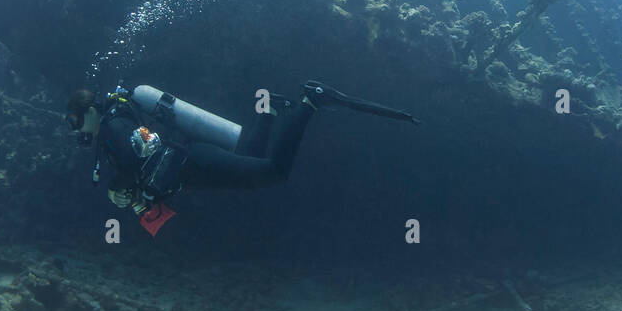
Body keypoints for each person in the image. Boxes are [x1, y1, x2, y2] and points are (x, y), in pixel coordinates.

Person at [65, 81, 419, 234]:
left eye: (74, 121)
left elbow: (132, 161)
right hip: (191, 168)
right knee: (250, 164)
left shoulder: (111, 126)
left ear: (87, 111)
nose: (76, 129)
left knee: (273, 172)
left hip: (192, 164)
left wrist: (118, 187)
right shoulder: (115, 120)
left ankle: (311, 101)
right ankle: (269, 109)